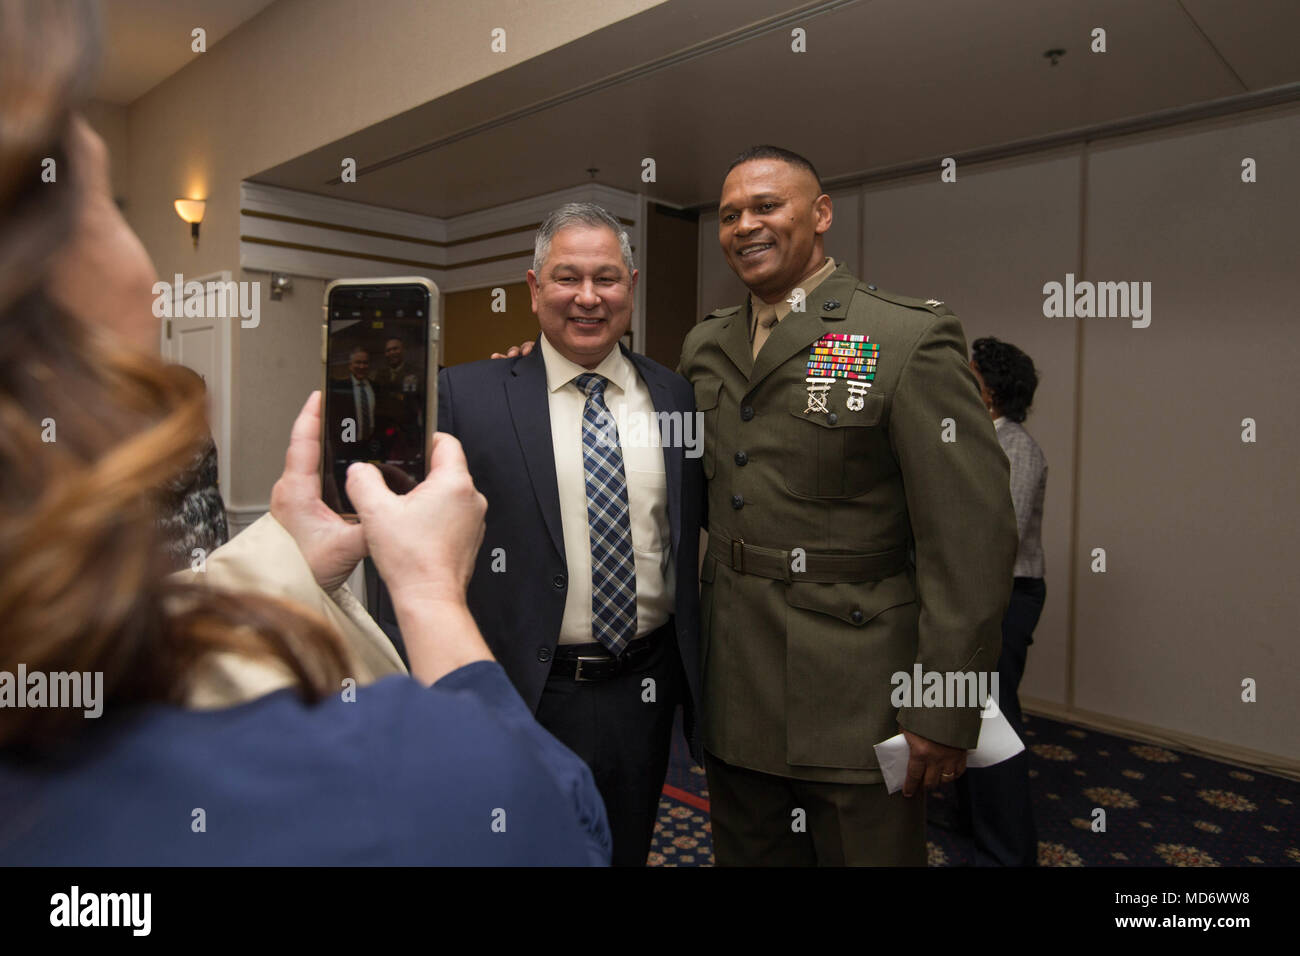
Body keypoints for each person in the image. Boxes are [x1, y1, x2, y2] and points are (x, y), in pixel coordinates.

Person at [0, 0, 608, 866]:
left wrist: (287, 548)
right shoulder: (309, 781)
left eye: (607, 278)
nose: (587, 296)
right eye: (110, 206)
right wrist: (432, 594)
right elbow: (547, 823)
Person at [677, 146, 1019, 865]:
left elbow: (970, 540)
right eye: (731, 214)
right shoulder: (706, 344)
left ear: (821, 214)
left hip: (859, 691)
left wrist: (943, 704)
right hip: (736, 680)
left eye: (767, 206)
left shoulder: (903, 336)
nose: (745, 225)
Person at [379, 203, 705, 866]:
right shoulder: (467, 396)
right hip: (522, 694)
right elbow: (405, 544)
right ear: (533, 290)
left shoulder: (674, 397)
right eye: (567, 278)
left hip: (643, 692)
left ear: (632, 287)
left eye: (607, 278)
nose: (588, 297)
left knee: (624, 851)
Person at [947, 336, 1047, 866]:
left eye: (971, 374)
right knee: (965, 710)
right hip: (976, 592)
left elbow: (999, 535)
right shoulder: (979, 438)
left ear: (990, 393)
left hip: (1008, 595)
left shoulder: (1018, 447)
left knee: (994, 719)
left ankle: (1009, 851)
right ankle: (971, 819)